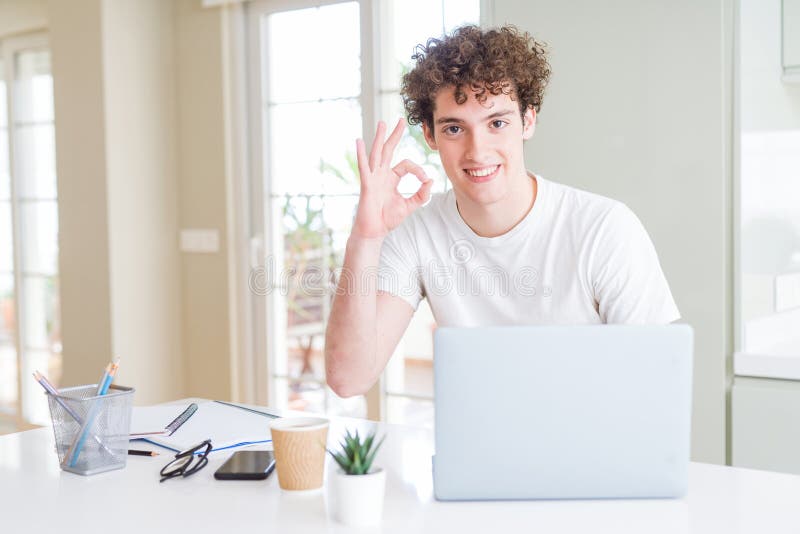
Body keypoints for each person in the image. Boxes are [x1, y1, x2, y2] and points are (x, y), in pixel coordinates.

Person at [324, 25, 679, 398]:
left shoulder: (605, 228)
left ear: (528, 121)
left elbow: (654, 384)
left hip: (592, 449)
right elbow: (349, 379)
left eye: (497, 123)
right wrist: (365, 238)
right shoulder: (417, 234)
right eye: (454, 129)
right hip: (477, 451)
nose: (478, 151)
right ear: (430, 135)